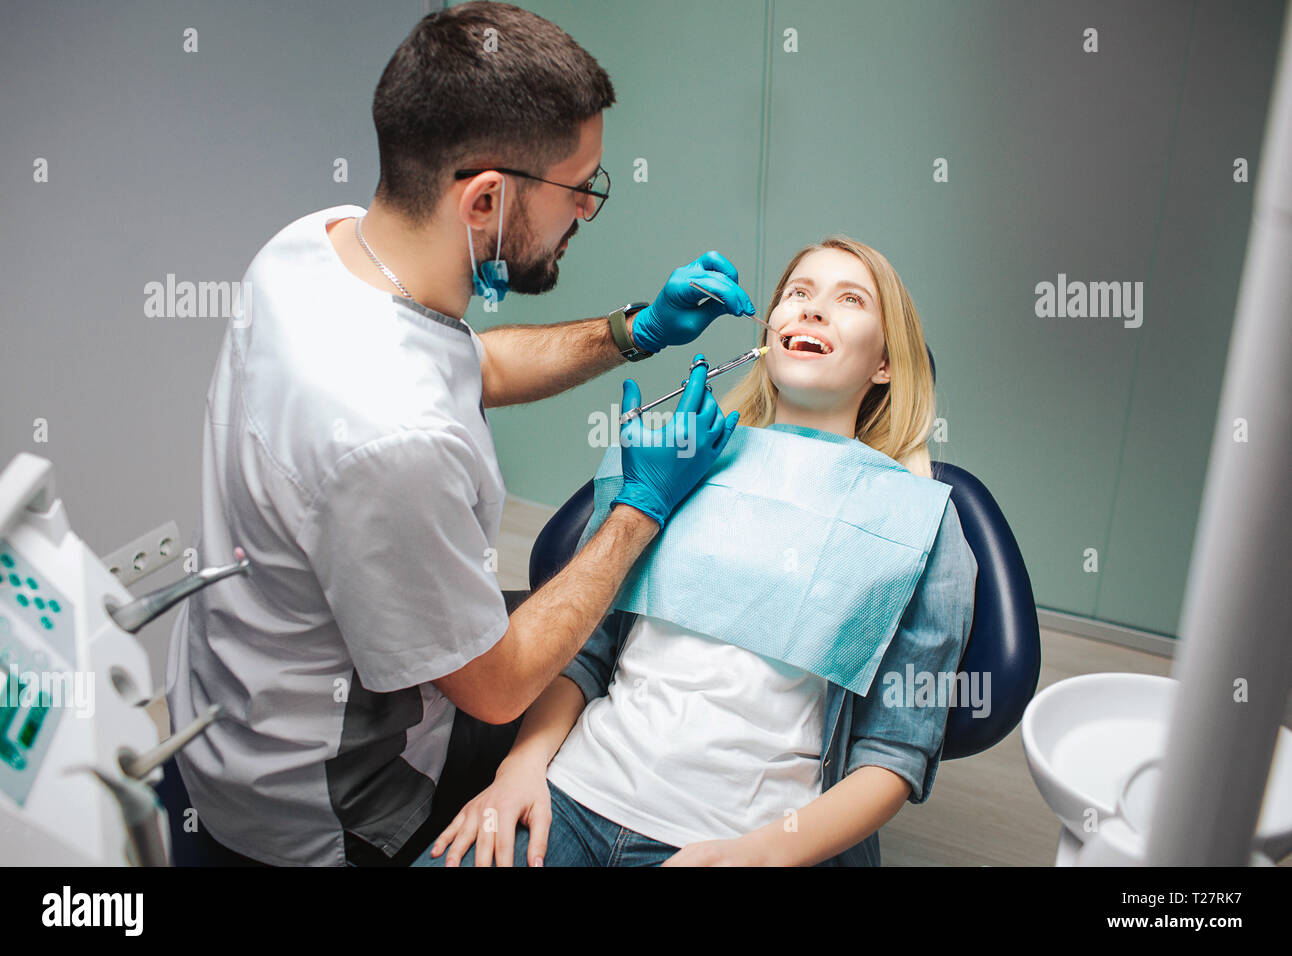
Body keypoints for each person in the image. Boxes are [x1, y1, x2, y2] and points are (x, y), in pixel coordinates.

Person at [165, 1, 754, 867]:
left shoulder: (317, 246)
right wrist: (640, 508)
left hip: (230, 699)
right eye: (579, 188)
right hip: (330, 794)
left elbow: (462, 364)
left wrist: (637, 330)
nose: (587, 212)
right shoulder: (390, 437)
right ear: (486, 197)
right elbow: (499, 685)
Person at [416, 236, 978, 867]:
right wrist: (518, 770)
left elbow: (893, 756)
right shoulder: (677, 456)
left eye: (849, 300)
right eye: (797, 294)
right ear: (769, 334)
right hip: (566, 800)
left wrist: (758, 856)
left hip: (741, 840)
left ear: (885, 365)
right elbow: (582, 654)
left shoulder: (919, 522)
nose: (812, 310)